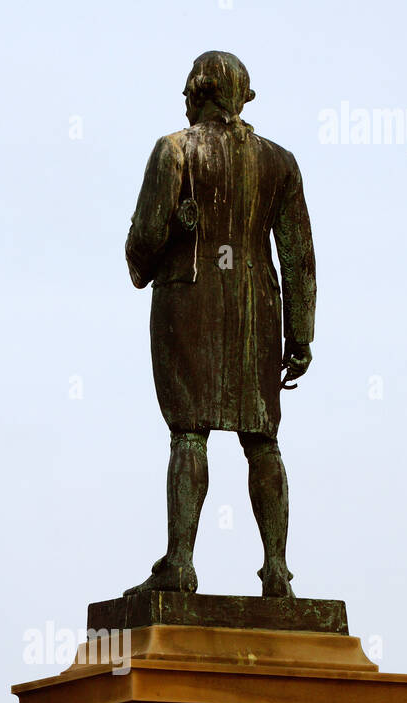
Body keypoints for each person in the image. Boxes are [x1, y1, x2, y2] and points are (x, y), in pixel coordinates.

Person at [124, 51, 316, 598]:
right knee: (263, 439)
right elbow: (298, 256)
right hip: (258, 307)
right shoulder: (280, 162)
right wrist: (300, 333)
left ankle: (181, 564)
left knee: (189, 434)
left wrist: (165, 241)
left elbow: (142, 244)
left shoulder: (176, 150)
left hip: (189, 300)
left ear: (196, 93)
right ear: (241, 98)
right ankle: (276, 569)